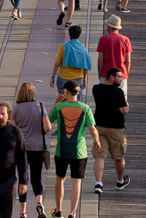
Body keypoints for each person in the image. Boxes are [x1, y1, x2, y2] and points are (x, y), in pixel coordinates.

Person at [47, 80, 100, 218]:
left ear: (65, 92)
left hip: (62, 150)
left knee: (60, 179)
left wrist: (56, 102)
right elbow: (93, 129)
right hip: (79, 151)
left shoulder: (59, 107)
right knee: (76, 182)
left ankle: (58, 211)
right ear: (78, 92)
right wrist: (97, 141)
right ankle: (72, 213)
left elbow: (48, 121)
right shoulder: (85, 108)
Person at [11, 83, 51, 218]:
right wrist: (40, 134)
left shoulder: (16, 109)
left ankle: (23, 212)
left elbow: (12, 129)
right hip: (37, 147)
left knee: (23, 179)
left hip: (21, 149)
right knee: (36, 178)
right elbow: (48, 126)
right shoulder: (40, 106)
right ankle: (39, 203)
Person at [91, 67, 130, 194]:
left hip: (99, 126)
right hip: (116, 128)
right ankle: (119, 181)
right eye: (119, 77)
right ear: (111, 77)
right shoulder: (118, 92)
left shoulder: (96, 89)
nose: (121, 79)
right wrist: (127, 104)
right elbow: (123, 110)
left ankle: (98, 183)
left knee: (99, 156)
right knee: (118, 156)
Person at [96, 14, 132, 95]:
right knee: (121, 101)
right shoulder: (126, 40)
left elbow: (100, 60)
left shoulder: (103, 39)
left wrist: (100, 74)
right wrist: (125, 74)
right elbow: (128, 61)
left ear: (109, 26)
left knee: (104, 101)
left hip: (106, 74)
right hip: (121, 75)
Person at [51, 24, 92, 94]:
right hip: (78, 80)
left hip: (63, 78)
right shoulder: (83, 49)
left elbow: (57, 64)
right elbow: (85, 67)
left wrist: (53, 77)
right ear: (79, 35)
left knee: (62, 101)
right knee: (75, 102)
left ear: (69, 34)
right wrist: (85, 80)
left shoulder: (63, 47)